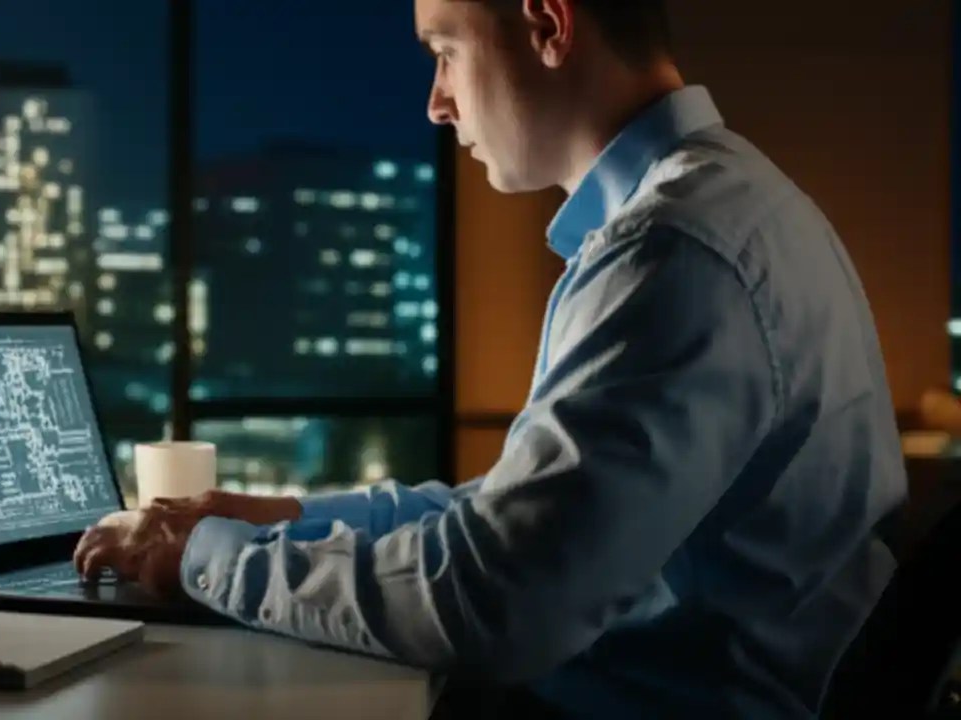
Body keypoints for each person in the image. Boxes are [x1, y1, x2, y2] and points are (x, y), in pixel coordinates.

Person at [73, 0, 906, 717]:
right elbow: (517, 520)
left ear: (547, 23)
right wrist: (289, 518)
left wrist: (205, 560)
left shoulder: (674, 250)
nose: (436, 103)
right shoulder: (725, 207)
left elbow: (497, 602)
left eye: (445, 51)